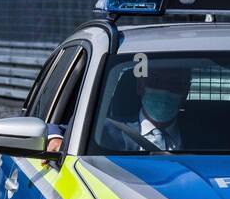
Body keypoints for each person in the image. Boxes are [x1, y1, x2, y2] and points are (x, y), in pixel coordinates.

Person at [46, 66, 192, 154]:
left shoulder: (207, 135)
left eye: (174, 85)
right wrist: (57, 140)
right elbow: (54, 128)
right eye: (156, 83)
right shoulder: (106, 130)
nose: (164, 91)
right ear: (141, 87)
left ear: (185, 92)